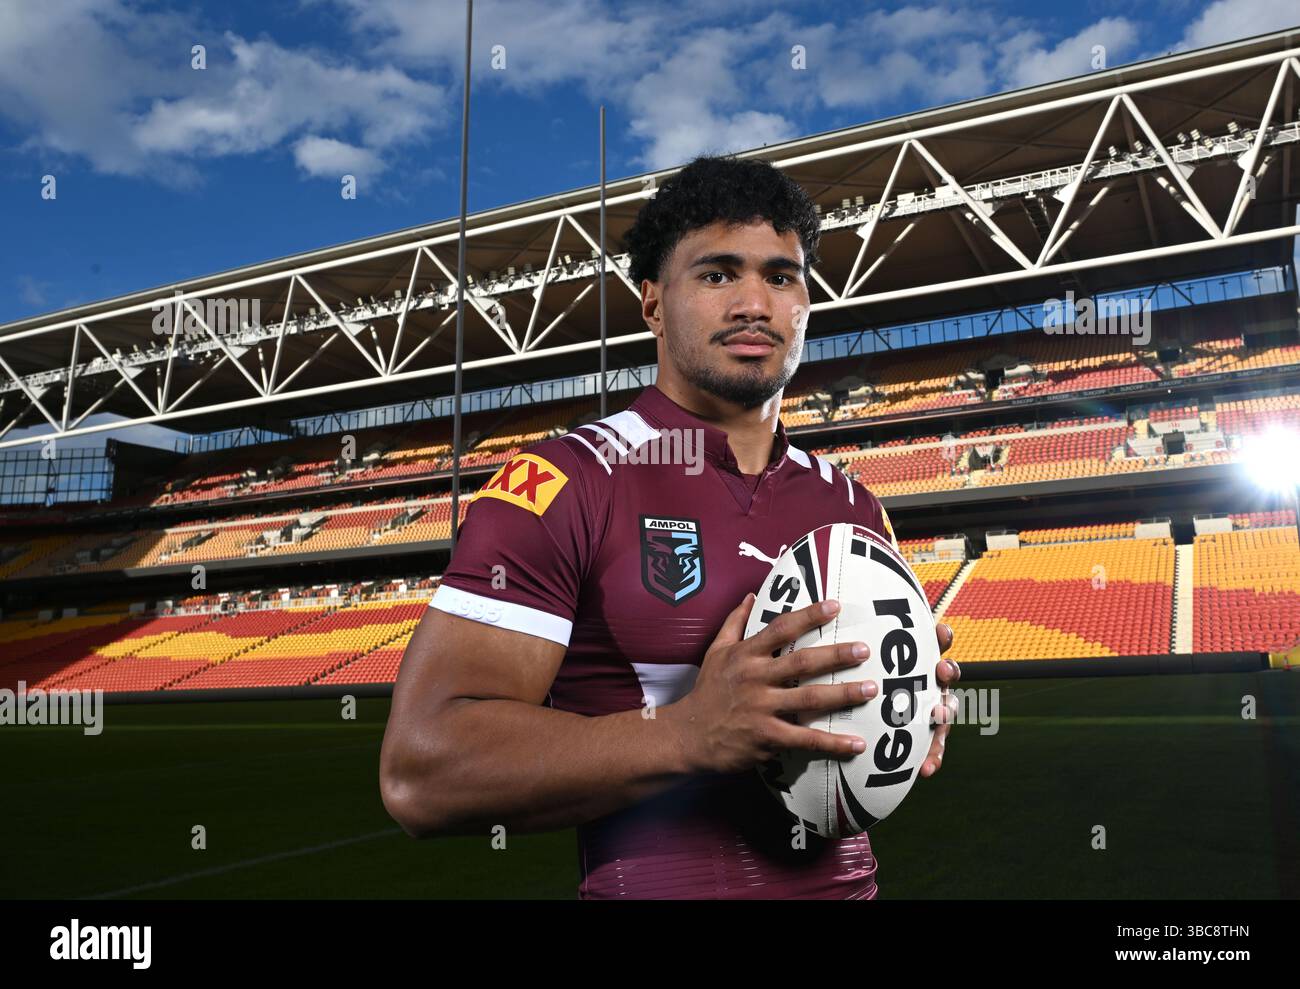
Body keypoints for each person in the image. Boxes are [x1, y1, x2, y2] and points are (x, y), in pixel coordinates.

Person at [380, 154, 959, 899]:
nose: (755, 302)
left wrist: (911, 712)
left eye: (780, 276)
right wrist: (688, 733)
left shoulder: (855, 505)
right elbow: (420, 772)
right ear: (653, 303)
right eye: (718, 274)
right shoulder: (565, 482)